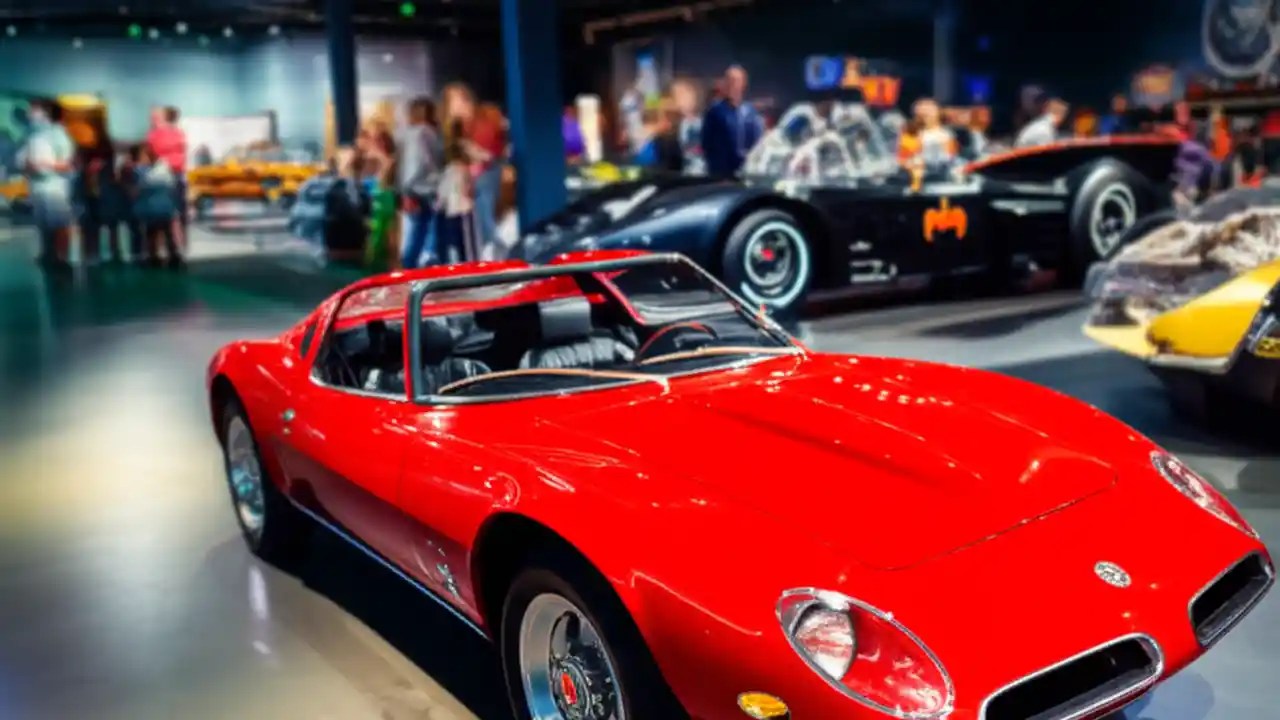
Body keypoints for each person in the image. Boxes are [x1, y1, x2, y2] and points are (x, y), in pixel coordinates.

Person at [18, 99, 75, 270]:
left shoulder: (57, 133)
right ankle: (48, 254)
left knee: (59, 223)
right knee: (43, 224)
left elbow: (68, 164)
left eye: (34, 109)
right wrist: (27, 166)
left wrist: (45, 165)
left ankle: (62, 258)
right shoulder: (31, 134)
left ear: (45, 111)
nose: (30, 113)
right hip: (36, 185)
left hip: (54, 186)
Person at [398, 97, 443, 269]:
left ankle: (410, 267)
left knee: (417, 230)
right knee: (427, 232)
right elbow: (423, 162)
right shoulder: (425, 133)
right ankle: (418, 266)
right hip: (426, 189)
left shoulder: (409, 134)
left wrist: (406, 190)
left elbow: (407, 166)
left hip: (414, 188)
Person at [700, 65, 764, 177]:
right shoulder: (715, 111)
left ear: (743, 84)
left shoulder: (750, 112)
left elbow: (757, 142)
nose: (732, 85)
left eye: (736, 81)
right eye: (728, 80)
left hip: (745, 171)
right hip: (720, 172)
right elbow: (706, 142)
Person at [146, 106, 187, 259]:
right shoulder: (176, 133)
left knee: (167, 215)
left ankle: (170, 248)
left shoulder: (156, 135)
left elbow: (152, 154)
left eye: (156, 116)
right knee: (169, 215)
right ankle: (171, 248)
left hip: (166, 177)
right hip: (166, 177)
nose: (153, 118)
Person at [130, 143, 181, 268]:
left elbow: (137, 191)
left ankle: (154, 258)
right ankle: (173, 256)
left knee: (152, 233)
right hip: (165, 206)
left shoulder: (141, 171)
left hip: (151, 208)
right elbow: (172, 186)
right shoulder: (164, 166)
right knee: (166, 232)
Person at [436, 131, 478, 264]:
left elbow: (441, 195)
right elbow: (469, 190)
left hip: (451, 213)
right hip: (464, 211)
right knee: (468, 248)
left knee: (455, 248)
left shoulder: (446, 172)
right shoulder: (464, 170)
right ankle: (472, 270)